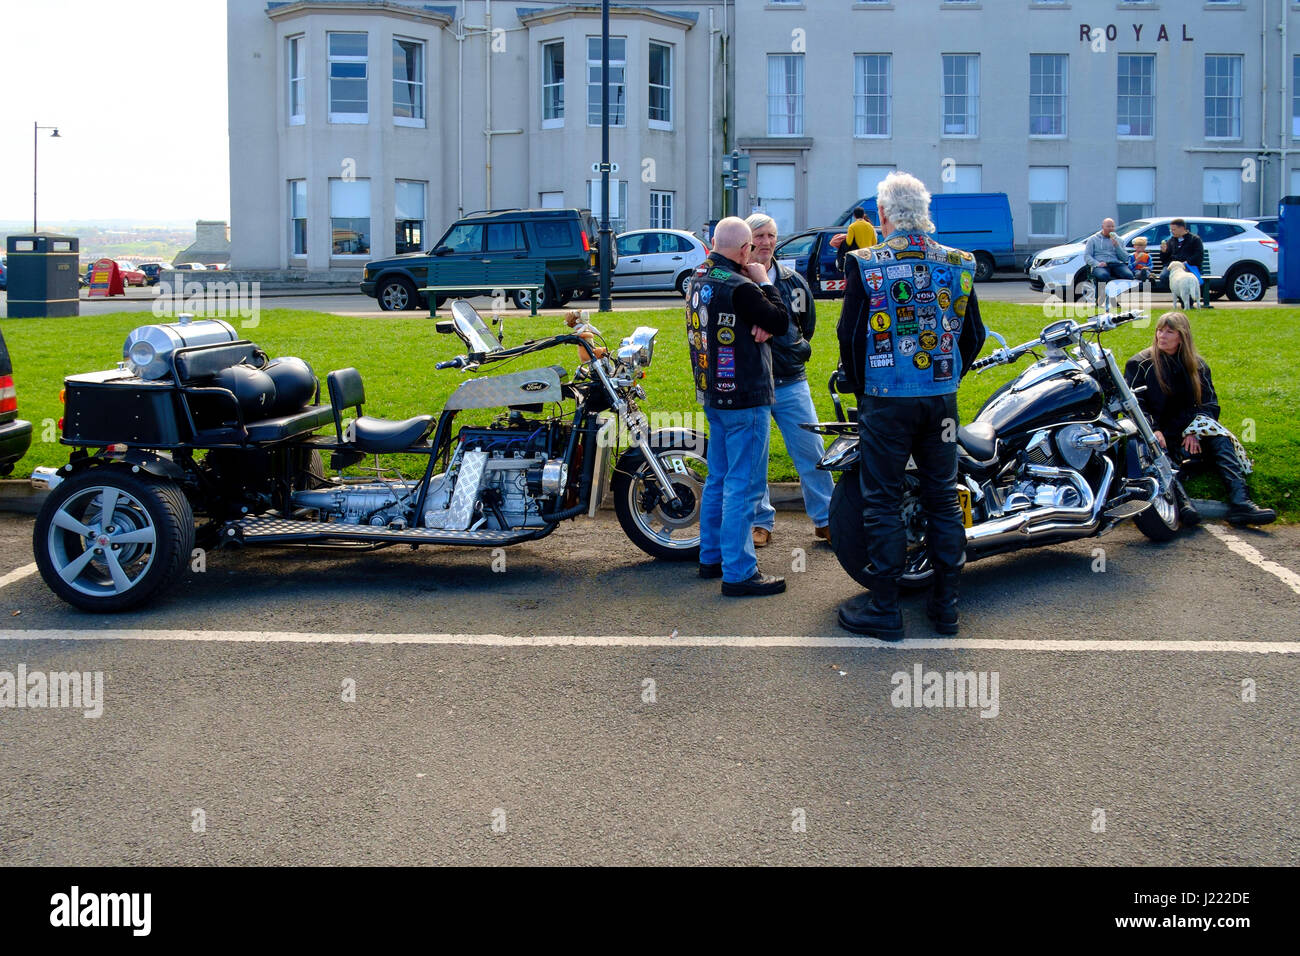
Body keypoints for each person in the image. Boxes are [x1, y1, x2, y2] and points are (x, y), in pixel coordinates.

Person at [835, 172, 987, 639]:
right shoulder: (958, 261)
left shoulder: (866, 262)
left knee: (881, 499)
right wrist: (947, 376)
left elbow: (851, 334)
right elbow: (974, 334)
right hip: (940, 401)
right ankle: (946, 608)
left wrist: (860, 388)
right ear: (925, 212)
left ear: (882, 215)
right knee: (942, 497)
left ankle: (885, 608)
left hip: (885, 400)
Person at [687, 216, 792, 596]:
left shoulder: (699, 276)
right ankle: (739, 572)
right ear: (745, 249)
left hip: (714, 394)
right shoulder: (741, 285)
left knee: (718, 479)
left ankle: (711, 557)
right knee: (743, 486)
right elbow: (780, 321)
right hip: (745, 398)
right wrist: (764, 281)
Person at [1123, 312, 1274, 527]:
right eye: (1159, 330)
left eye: (1169, 331)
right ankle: (1182, 504)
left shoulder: (1198, 365)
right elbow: (1134, 405)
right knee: (1155, 451)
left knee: (1220, 439)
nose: (1161, 336)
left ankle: (1242, 503)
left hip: (1186, 431)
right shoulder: (1139, 363)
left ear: (1182, 336)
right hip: (1157, 432)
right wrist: (1153, 430)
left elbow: (1209, 404)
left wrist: (1194, 430)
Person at [744, 213, 836, 548]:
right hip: (751, 386)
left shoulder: (793, 282)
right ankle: (759, 522)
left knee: (811, 451)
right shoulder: (736, 281)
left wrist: (795, 348)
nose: (765, 242)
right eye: (759, 236)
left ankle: (827, 519)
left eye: (771, 235)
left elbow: (804, 325)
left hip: (790, 381)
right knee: (755, 457)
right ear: (746, 240)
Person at [1084, 218, 1135, 287]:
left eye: (1112, 226)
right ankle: (1102, 294)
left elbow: (1125, 258)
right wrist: (1097, 264)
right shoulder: (1093, 239)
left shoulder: (1119, 240)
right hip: (1101, 265)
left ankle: (1115, 291)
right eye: (1108, 226)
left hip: (1116, 264)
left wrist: (1117, 246)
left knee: (1129, 275)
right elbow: (1087, 256)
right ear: (1102, 227)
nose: (1111, 228)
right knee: (1103, 276)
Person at [832, 207, 878, 272]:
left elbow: (849, 242)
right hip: (869, 256)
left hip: (857, 258)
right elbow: (874, 242)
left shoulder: (852, 226)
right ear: (863, 215)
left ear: (854, 216)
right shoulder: (870, 226)